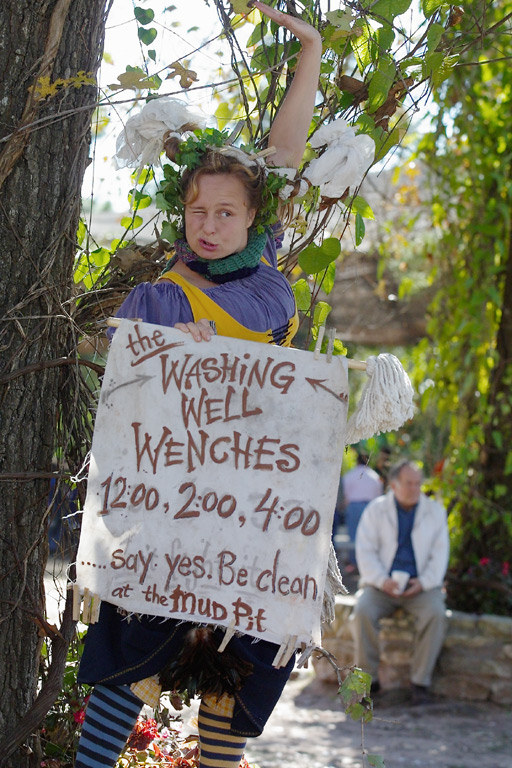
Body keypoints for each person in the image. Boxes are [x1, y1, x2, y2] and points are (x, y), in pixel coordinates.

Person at [74, 4, 323, 767]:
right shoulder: (159, 296)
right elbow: (122, 406)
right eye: (196, 211)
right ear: (183, 216)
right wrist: (166, 358)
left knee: (233, 692)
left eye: (225, 211)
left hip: (259, 518)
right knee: (124, 676)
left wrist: (310, 48)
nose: (209, 224)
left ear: (254, 220)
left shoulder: (269, 272)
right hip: (173, 510)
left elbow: (284, 150)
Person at [349, 460, 449, 704]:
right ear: (393, 484)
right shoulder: (376, 509)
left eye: (418, 483)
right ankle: (367, 683)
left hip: (420, 587)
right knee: (362, 612)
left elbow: (440, 553)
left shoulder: (434, 511)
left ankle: (419, 683)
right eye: (409, 483)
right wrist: (382, 581)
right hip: (382, 586)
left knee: (436, 613)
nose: (415, 488)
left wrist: (423, 583)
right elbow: (365, 551)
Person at [341, 451, 383, 569]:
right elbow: (378, 496)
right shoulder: (375, 477)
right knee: (369, 535)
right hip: (370, 507)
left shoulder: (349, 475)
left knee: (353, 536)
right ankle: (367, 564)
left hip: (353, 506)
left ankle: (354, 562)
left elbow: (346, 495)